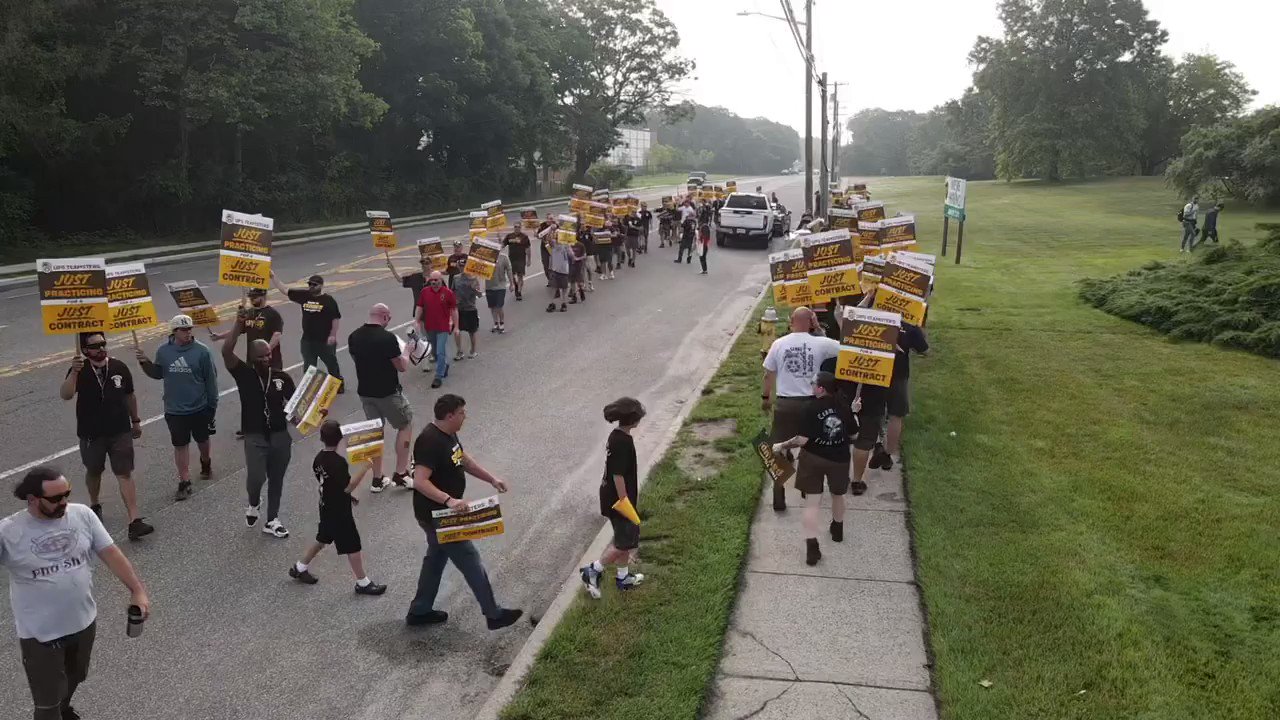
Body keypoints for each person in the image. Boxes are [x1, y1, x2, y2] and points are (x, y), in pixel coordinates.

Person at [1, 466, 150, 720]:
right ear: (32, 499)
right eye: (56, 498)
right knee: (46, 706)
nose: (64, 502)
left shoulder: (81, 515)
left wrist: (137, 591)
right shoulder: (9, 532)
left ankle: (64, 707)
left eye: (66, 494)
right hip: (41, 635)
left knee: (75, 677)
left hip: (83, 623)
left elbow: (111, 553)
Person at [406, 394, 523, 630]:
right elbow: (419, 481)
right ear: (450, 416)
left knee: (436, 559)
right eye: (462, 413)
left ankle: (419, 611)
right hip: (438, 516)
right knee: (469, 559)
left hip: (441, 514)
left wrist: (491, 478)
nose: (465, 416)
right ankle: (493, 614)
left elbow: (464, 460)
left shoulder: (448, 435)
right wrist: (448, 500)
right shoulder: (429, 441)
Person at [59, 332, 153, 540]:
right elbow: (65, 394)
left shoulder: (119, 367)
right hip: (91, 434)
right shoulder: (80, 369)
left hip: (119, 430)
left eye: (103, 344)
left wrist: (136, 421)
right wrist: (73, 373)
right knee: (94, 471)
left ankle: (134, 521)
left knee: (124, 473)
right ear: (85, 350)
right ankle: (94, 503)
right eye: (95, 346)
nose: (101, 348)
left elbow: (129, 394)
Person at [221, 310, 297, 538]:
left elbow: (295, 407)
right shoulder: (244, 375)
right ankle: (253, 502)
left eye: (268, 355)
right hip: (255, 436)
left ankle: (272, 519)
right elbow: (226, 350)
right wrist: (238, 324)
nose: (266, 359)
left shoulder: (282, 378)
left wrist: (309, 414)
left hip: (280, 436)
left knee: (277, 479)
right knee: (256, 478)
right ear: (252, 359)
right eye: (261, 357)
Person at [289, 420, 387, 595]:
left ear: (322, 438)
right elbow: (347, 486)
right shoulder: (338, 462)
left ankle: (299, 567)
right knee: (353, 545)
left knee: (323, 538)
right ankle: (362, 582)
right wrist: (365, 467)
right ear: (341, 438)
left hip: (326, 505)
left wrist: (348, 497)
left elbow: (329, 484)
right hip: (339, 511)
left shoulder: (318, 459)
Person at [761, 307, 841, 511]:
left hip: (785, 404)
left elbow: (768, 374)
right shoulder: (820, 343)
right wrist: (819, 330)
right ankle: (807, 487)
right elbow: (843, 349)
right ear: (811, 322)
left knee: (777, 449)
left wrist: (766, 397)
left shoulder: (779, 344)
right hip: (811, 405)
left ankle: (779, 494)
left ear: (790, 321)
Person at [771, 372, 852, 566]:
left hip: (813, 459)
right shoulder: (843, 406)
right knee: (838, 495)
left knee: (812, 504)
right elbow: (855, 434)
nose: (811, 385)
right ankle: (837, 529)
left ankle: (812, 547)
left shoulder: (810, 408)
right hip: (839, 460)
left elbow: (802, 440)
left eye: (813, 383)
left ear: (821, 388)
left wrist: (781, 445)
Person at [136, 314, 218, 501]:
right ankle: (185, 480)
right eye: (183, 329)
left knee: (202, 440)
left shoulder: (202, 352)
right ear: (174, 332)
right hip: (175, 409)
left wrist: (212, 408)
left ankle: (206, 462)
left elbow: (211, 382)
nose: (188, 332)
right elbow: (157, 374)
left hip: (199, 407)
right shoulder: (164, 352)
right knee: (180, 445)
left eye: (189, 329)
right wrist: (144, 363)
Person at [580, 397, 647, 598]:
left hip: (613, 497)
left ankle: (623, 577)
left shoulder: (617, 435)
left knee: (624, 539)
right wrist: (624, 502)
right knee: (624, 542)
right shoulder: (622, 442)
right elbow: (618, 475)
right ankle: (593, 570)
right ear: (633, 420)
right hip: (618, 500)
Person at [348, 303, 413, 492]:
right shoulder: (387, 338)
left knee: (375, 432)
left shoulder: (354, 336)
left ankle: (377, 479)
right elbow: (401, 366)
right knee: (405, 424)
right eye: (389, 318)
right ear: (384, 317)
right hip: (387, 392)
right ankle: (401, 473)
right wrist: (407, 352)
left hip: (365, 392)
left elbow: (356, 359)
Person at [859, 321, 929, 482]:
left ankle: (877, 442)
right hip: (898, 374)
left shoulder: (871, 317)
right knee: (896, 414)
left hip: (873, 372)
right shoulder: (909, 324)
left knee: (872, 411)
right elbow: (925, 351)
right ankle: (887, 453)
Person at [209, 287, 284, 438]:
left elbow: (277, 334)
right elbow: (237, 330)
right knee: (248, 395)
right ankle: (247, 427)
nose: (251, 299)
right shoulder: (249, 314)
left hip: (270, 362)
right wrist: (220, 337)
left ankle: (277, 419)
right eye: (250, 296)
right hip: (252, 362)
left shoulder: (272, 314)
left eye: (254, 296)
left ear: (263, 296)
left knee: (272, 394)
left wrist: (267, 349)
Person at [274, 272, 344, 393]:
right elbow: (285, 290)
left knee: (331, 364)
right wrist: (273, 276)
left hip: (324, 341)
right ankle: (309, 389)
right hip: (308, 340)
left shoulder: (328, 300)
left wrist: (333, 335)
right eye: (310, 284)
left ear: (321, 286)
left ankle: (337, 383)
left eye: (314, 285)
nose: (311, 287)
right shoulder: (304, 296)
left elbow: (335, 318)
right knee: (309, 366)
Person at [415, 270, 457, 389]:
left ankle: (438, 377)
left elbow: (454, 310)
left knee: (440, 351)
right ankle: (445, 364)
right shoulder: (425, 292)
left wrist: (456, 325)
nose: (434, 282)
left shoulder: (447, 293)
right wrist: (417, 320)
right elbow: (420, 306)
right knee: (433, 352)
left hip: (443, 327)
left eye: (436, 280)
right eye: (432, 280)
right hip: (430, 327)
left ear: (441, 280)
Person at [454, 272, 482, 359]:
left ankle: (473, 351)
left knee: (472, 331)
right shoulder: (456, 278)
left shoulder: (474, 279)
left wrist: (475, 290)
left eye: (464, 265)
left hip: (470, 308)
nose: (462, 268)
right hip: (458, 308)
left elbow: (480, 295)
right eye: (460, 265)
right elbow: (452, 291)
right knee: (457, 330)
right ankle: (459, 351)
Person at [501, 223, 531, 301]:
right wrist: (499, 241)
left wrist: (529, 259)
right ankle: (516, 285)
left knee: (520, 275)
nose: (517, 228)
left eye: (518, 227)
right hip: (511, 259)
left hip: (521, 259)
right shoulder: (509, 236)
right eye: (515, 227)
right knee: (511, 275)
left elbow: (528, 248)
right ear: (513, 228)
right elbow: (503, 245)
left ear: (520, 228)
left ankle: (519, 292)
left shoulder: (524, 237)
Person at [486, 249, 513, 333]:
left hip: (500, 286)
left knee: (499, 306)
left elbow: (509, 270)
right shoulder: (486, 257)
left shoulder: (504, 258)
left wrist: (512, 283)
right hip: (489, 285)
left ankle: (501, 323)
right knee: (492, 306)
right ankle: (495, 323)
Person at [547, 238, 573, 313]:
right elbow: (548, 241)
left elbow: (571, 255)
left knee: (564, 288)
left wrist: (568, 247)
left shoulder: (566, 245)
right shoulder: (552, 245)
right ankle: (552, 303)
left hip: (564, 270)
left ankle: (563, 303)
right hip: (554, 269)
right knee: (553, 287)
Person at [568, 230, 588, 304]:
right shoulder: (567, 245)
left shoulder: (580, 245)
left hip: (578, 265)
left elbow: (584, 255)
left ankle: (581, 291)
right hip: (570, 265)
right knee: (572, 281)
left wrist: (578, 259)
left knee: (579, 281)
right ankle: (574, 297)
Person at [536, 214, 556, 285]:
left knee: (554, 265)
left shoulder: (556, 225)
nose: (551, 220)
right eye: (550, 218)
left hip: (554, 248)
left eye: (552, 218)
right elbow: (538, 236)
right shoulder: (542, 225)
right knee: (545, 265)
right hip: (545, 247)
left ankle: (554, 280)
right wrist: (537, 235)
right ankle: (549, 279)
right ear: (547, 219)